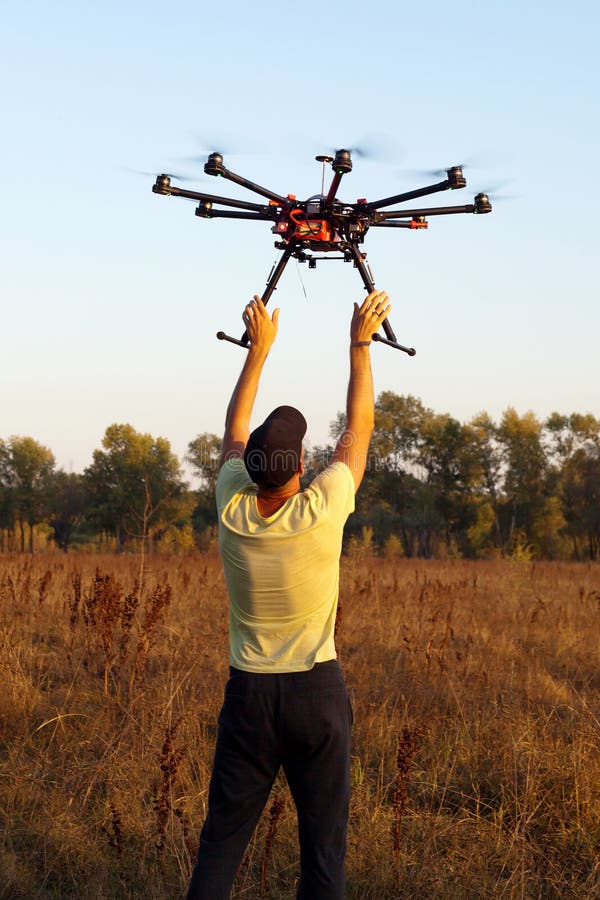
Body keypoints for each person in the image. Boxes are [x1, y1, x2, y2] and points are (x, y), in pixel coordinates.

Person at [186, 289, 392, 900]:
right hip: (315, 694)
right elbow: (358, 429)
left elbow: (233, 430)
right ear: (302, 464)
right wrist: (360, 345)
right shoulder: (323, 507)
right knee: (323, 854)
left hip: (248, 696)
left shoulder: (232, 506)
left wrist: (256, 352)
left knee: (221, 843)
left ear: (250, 469)